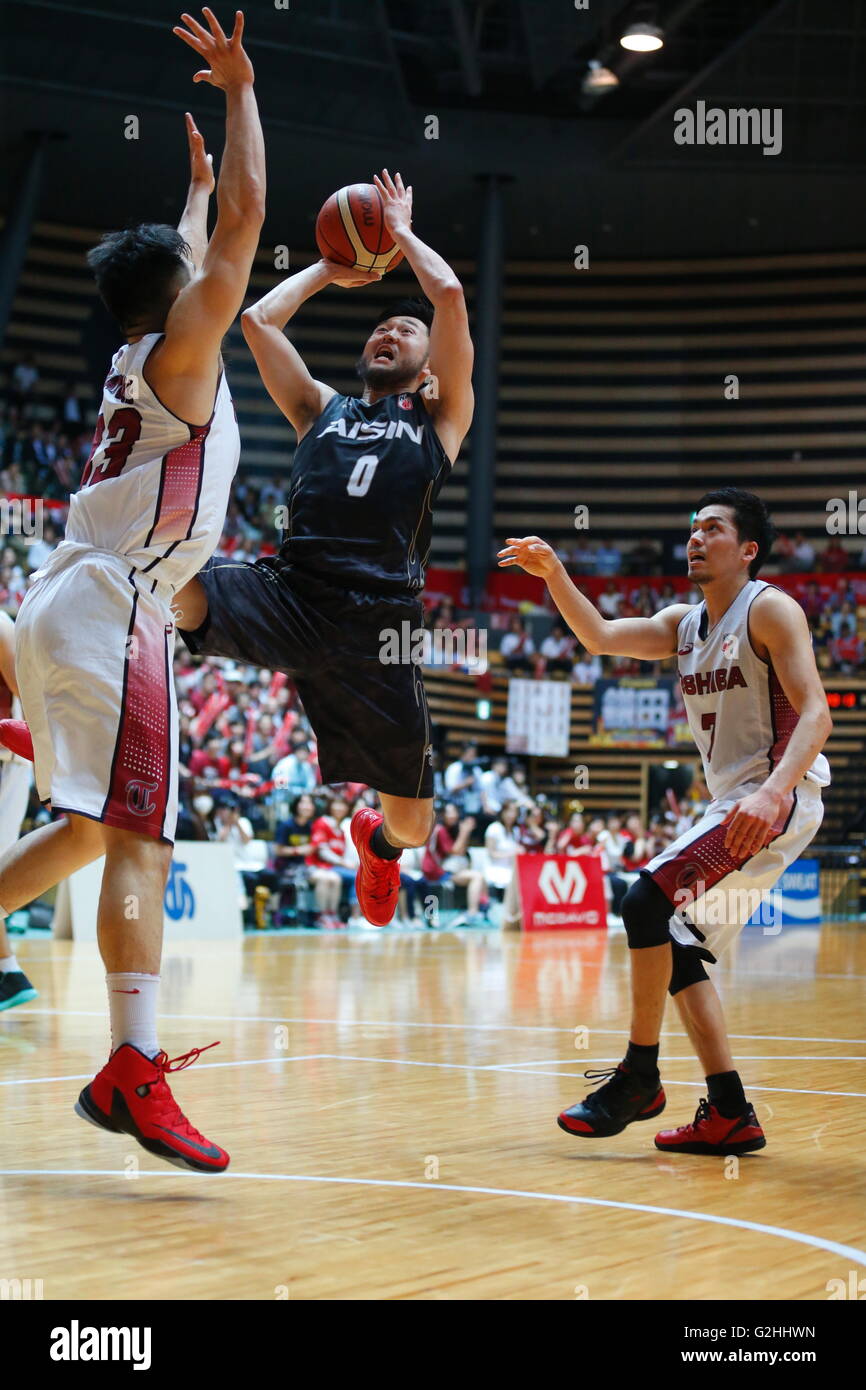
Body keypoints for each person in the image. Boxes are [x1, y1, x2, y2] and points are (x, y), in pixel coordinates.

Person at [0, 7, 265, 1172]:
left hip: (59, 600)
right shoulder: (183, 352)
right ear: (182, 291)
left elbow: (205, 247)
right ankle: (130, 1067)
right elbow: (246, 231)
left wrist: (191, 196)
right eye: (197, 264)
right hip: (118, 607)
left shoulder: (138, 353)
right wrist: (240, 91)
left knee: (94, 823)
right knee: (141, 837)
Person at [172, 168, 474, 931]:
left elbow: (451, 299)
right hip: (293, 593)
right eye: (380, 327)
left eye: (405, 332)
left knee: (412, 827)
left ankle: (374, 846)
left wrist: (399, 233)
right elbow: (258, 324)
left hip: (378, 626)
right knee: (167, 571)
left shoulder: (440, 420)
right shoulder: (319, 409)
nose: (388, 332)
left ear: (430, 366)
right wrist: (330, 269)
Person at [500, 487, 831, 1155]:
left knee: (644, 900)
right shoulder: (684, 624)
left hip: (776, 799)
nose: (696, 538)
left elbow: (819, 712)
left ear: (747, 550)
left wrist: (772, 791)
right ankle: (730, 1111)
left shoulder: (770, 610)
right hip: (735, 803)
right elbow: (597, 636)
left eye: (713, 529)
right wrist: (554, 573)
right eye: (692, 528)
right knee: (674, 937)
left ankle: (638, 1076)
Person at [421, 804, 486, 925]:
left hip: (445, 870)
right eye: (449, 813)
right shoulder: (440, 830)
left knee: (480, 877)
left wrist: (465, 832)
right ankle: (472, 913)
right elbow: (455, 851)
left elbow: (460, 851)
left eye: (455, 812)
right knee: (477, 877)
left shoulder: (448, 829)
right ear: (443, 815)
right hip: (436, 871)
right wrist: (464, 831)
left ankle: (482, 908)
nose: (453, 815)